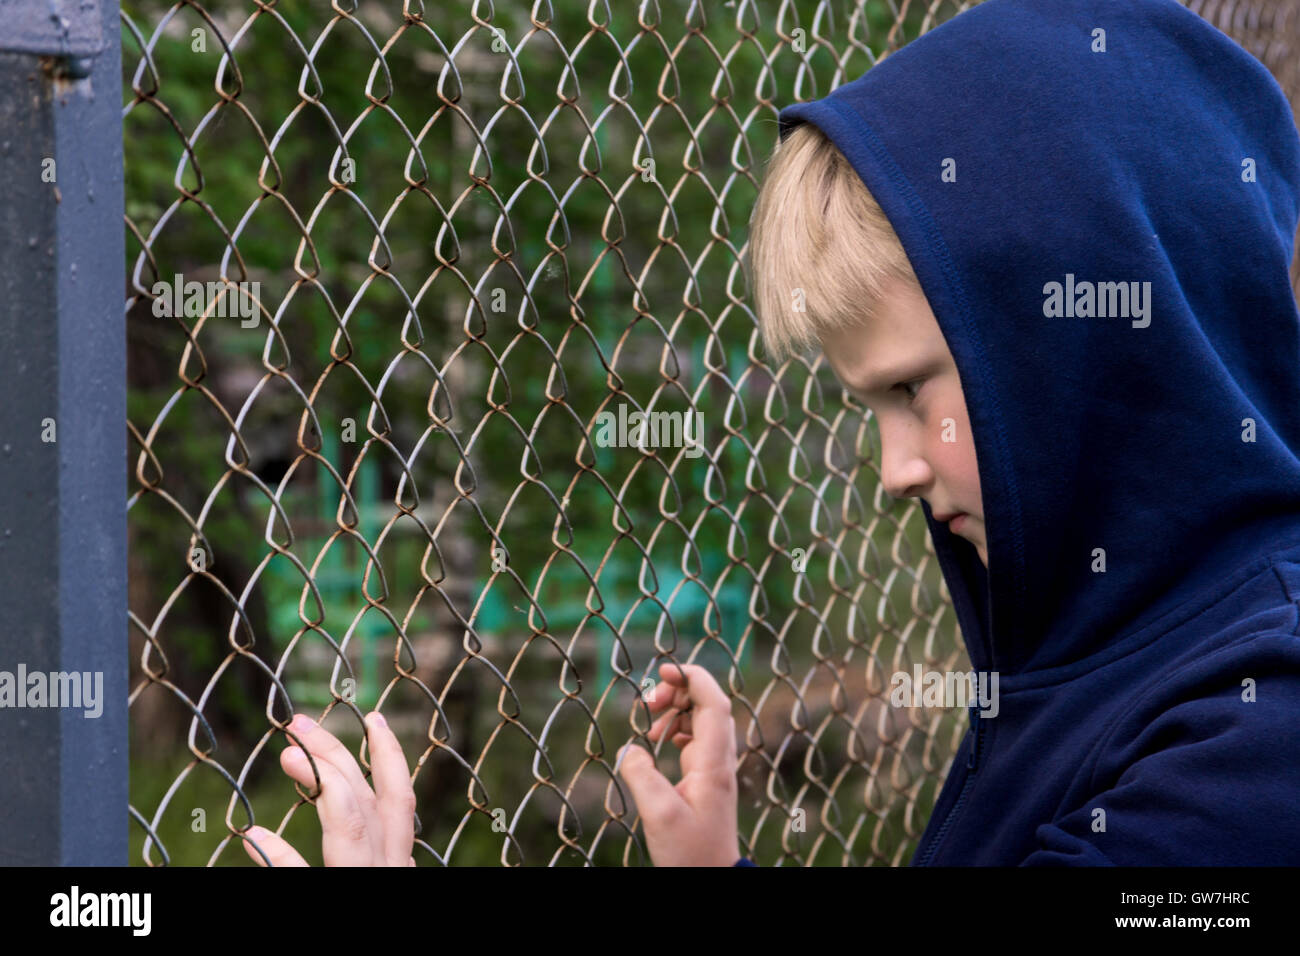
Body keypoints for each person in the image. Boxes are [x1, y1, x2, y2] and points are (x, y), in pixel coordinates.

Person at [246, 0, 1300, 867]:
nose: (896, 467)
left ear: (1085, 352)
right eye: (869, 405)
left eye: (911, 389)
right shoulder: (1097, 646)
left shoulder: (1249, 745)